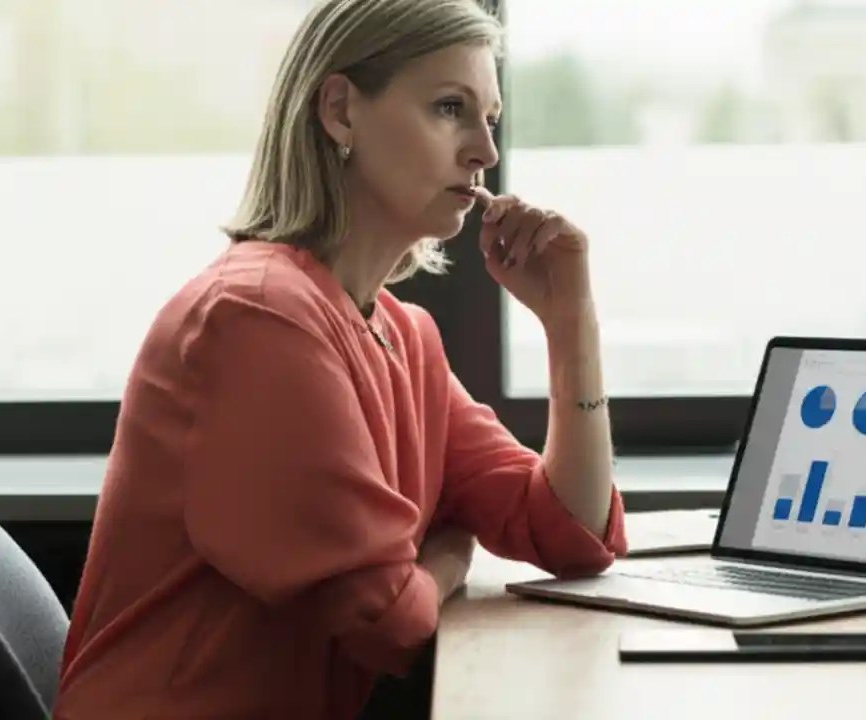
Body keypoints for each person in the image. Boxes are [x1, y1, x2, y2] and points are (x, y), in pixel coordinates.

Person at [51, 0, 627, 718]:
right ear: (340, 112)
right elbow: (388, 622)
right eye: (451, 107)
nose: (487, 151)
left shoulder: (402, 335)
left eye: (490, 115)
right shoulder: (257, 320)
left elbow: (571, 533)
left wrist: (570, 322)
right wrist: (449, 555)